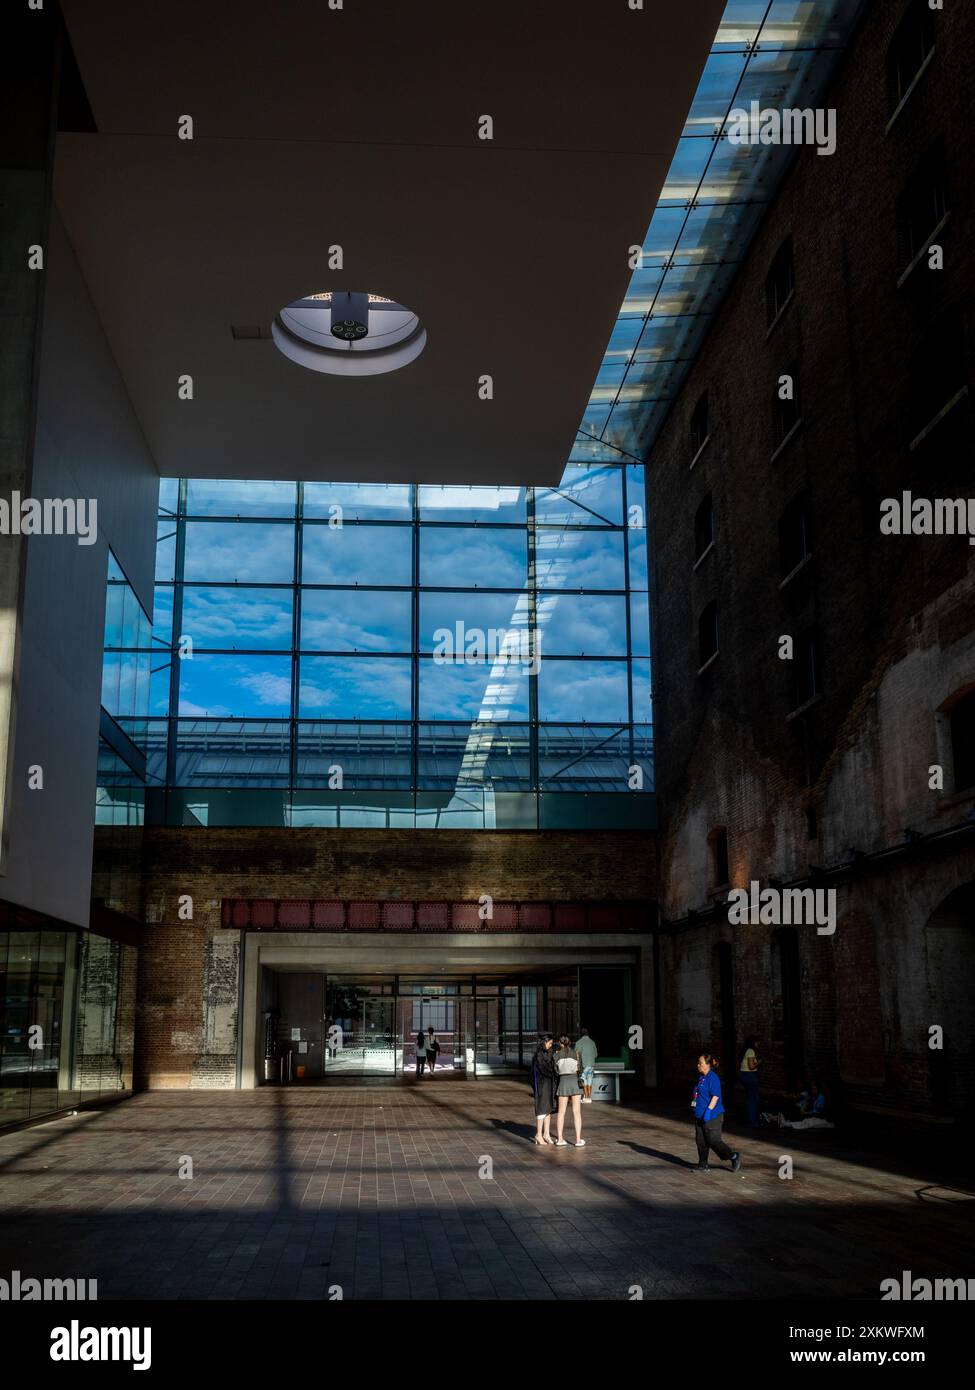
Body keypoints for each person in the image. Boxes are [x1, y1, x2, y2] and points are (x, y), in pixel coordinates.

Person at [692, 1053, 741, 1172]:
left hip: (712, 1116)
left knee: (713, 1141)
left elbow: (715, 1096)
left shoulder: (713, 1078)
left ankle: (733, 1156)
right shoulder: (701, 1078)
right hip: (699, 1115)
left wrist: (708, 1111)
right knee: (701, 1141)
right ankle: (703, 1165)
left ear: (708, 1065)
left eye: (701, 1063)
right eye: (698, 1063)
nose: (698, 1065)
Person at [554, 1034, 585, 1147]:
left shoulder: (556, 1055)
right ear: (570, 1042)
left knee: (561, 1112)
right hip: (574, 1083)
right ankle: (577, 1140)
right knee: (577, 1113)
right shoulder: (576, 1054)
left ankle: (560, 1139)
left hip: (563, 1083)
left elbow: (555, 1071)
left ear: (560, 1043)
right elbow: (580, 1069)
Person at [530, 1033, 557, 1145]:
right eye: (549, 1043)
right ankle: (538, 1135)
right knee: (542, 1108)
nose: (551, 1045)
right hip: (542, 1085)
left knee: (548, 1109)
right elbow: (544, 1070)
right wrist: (554, 1072)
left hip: (549, 1084)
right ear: (544, 1042)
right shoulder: (539, 1055)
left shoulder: (549, 1053)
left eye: (551, 1043)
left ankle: (546, 1134)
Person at [573, 1026, 598, 1103]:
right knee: (589, 1080)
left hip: (584, 1065)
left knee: (584, 1080)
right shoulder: (592, 1042)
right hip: (591, 1065)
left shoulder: (578, 1042)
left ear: (581, 1034)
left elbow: (575, 1055)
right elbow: (596, 1054)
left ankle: (586, 1097)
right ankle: (589, 1097)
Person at [739, 1035, 760, 1126]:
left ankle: (749, 1119)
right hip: (750, 1075)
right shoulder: (750, 1051)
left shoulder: (745, 1051)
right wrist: (759, 1062)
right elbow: (751, 1067)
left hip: (744, 1075)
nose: (758, 1043)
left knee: (750, 1098)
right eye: (757, 1042)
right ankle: (753, 1121)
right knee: (753, 1099)